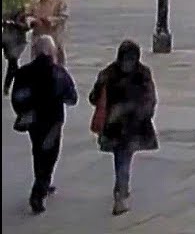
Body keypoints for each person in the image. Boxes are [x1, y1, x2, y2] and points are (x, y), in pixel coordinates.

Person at [89, 40, 159, 216]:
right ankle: (120, 192)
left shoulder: (108, 74)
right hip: (133, 125)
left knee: (121, 156)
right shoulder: (142, 73)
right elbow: (150, 99)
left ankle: (121, 188)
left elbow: (93, 97)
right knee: (124, 157)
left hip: (114, 124)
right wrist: (144, 114)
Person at [10, 35, 78, 214]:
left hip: (33, 120)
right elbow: (72, 98)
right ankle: (39, 190)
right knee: (50, 154)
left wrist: (25, 111)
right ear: (52, 52)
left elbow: (17, 97)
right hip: (53, 120)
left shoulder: (24, 72)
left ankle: (42, 182)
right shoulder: (58, 72)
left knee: (38, 151)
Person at [25, 0, 69, 66]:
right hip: (38, 35)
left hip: (53, 35)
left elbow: (64, 16)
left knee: (55, 60)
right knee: (37, 60)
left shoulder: (59, 1)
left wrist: (50, 20)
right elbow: (27, 15)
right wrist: (32, 21)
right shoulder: (34, 2)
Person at [3, 7, 31, 95]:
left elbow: (26, 27)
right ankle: (21, 81)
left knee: (13, 62)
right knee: (13, 64)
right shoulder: (5, 8)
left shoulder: (20, 10)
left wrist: (15, 23)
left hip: (18, 41)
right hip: (6, 40)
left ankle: (7, 86)